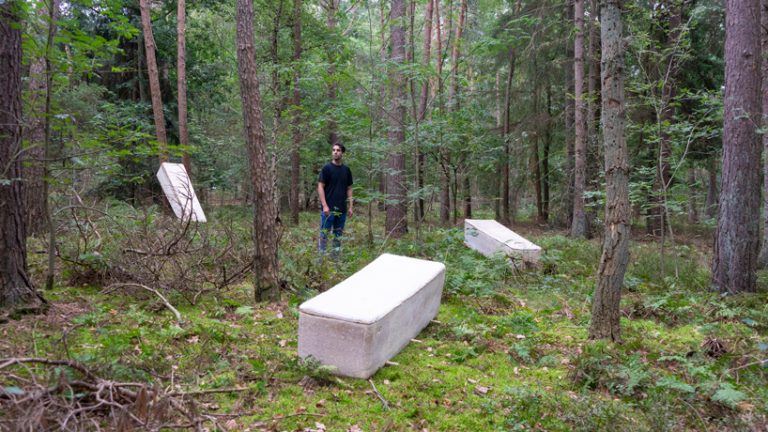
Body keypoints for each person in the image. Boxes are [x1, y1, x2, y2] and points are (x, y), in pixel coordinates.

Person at [318, 143, 353, 257]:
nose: (335, 152)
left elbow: (349, 188)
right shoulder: (326, 168)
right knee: (324, 236)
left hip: (341, 210)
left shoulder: (346, 170)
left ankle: (335, 261)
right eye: (333, 150)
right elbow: (320, 187)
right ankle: (321, 262)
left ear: (342, 152)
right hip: (328, 210)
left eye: (338, 150)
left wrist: (351, 206)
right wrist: (325, 206)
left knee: (338, 237)